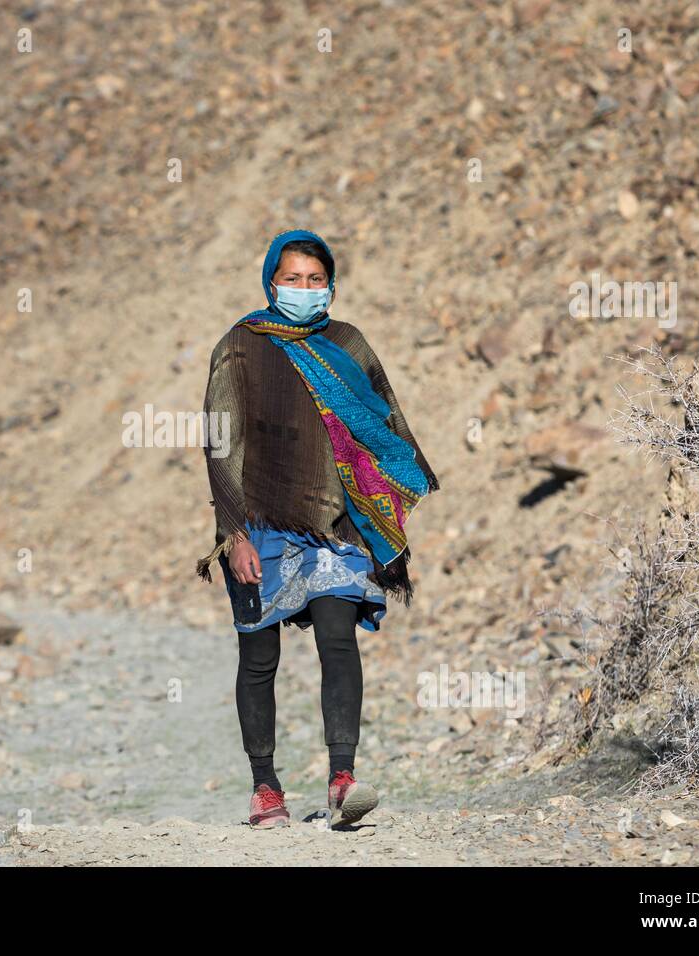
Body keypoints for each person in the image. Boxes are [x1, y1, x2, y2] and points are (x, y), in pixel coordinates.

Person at [196, 228, 439, 829]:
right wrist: (235, 534)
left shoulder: (348, 344)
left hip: (339, 520)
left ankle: (341, 779)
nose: (304, 290)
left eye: (315, 279)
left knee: (338, 635)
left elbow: (383, 423)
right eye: (291, 279)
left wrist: (384, 494)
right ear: (270, 282)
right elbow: (221, 443)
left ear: (330, 285)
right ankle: (265, 789)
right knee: (259, 655)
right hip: (260, 519)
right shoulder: (240, 346)